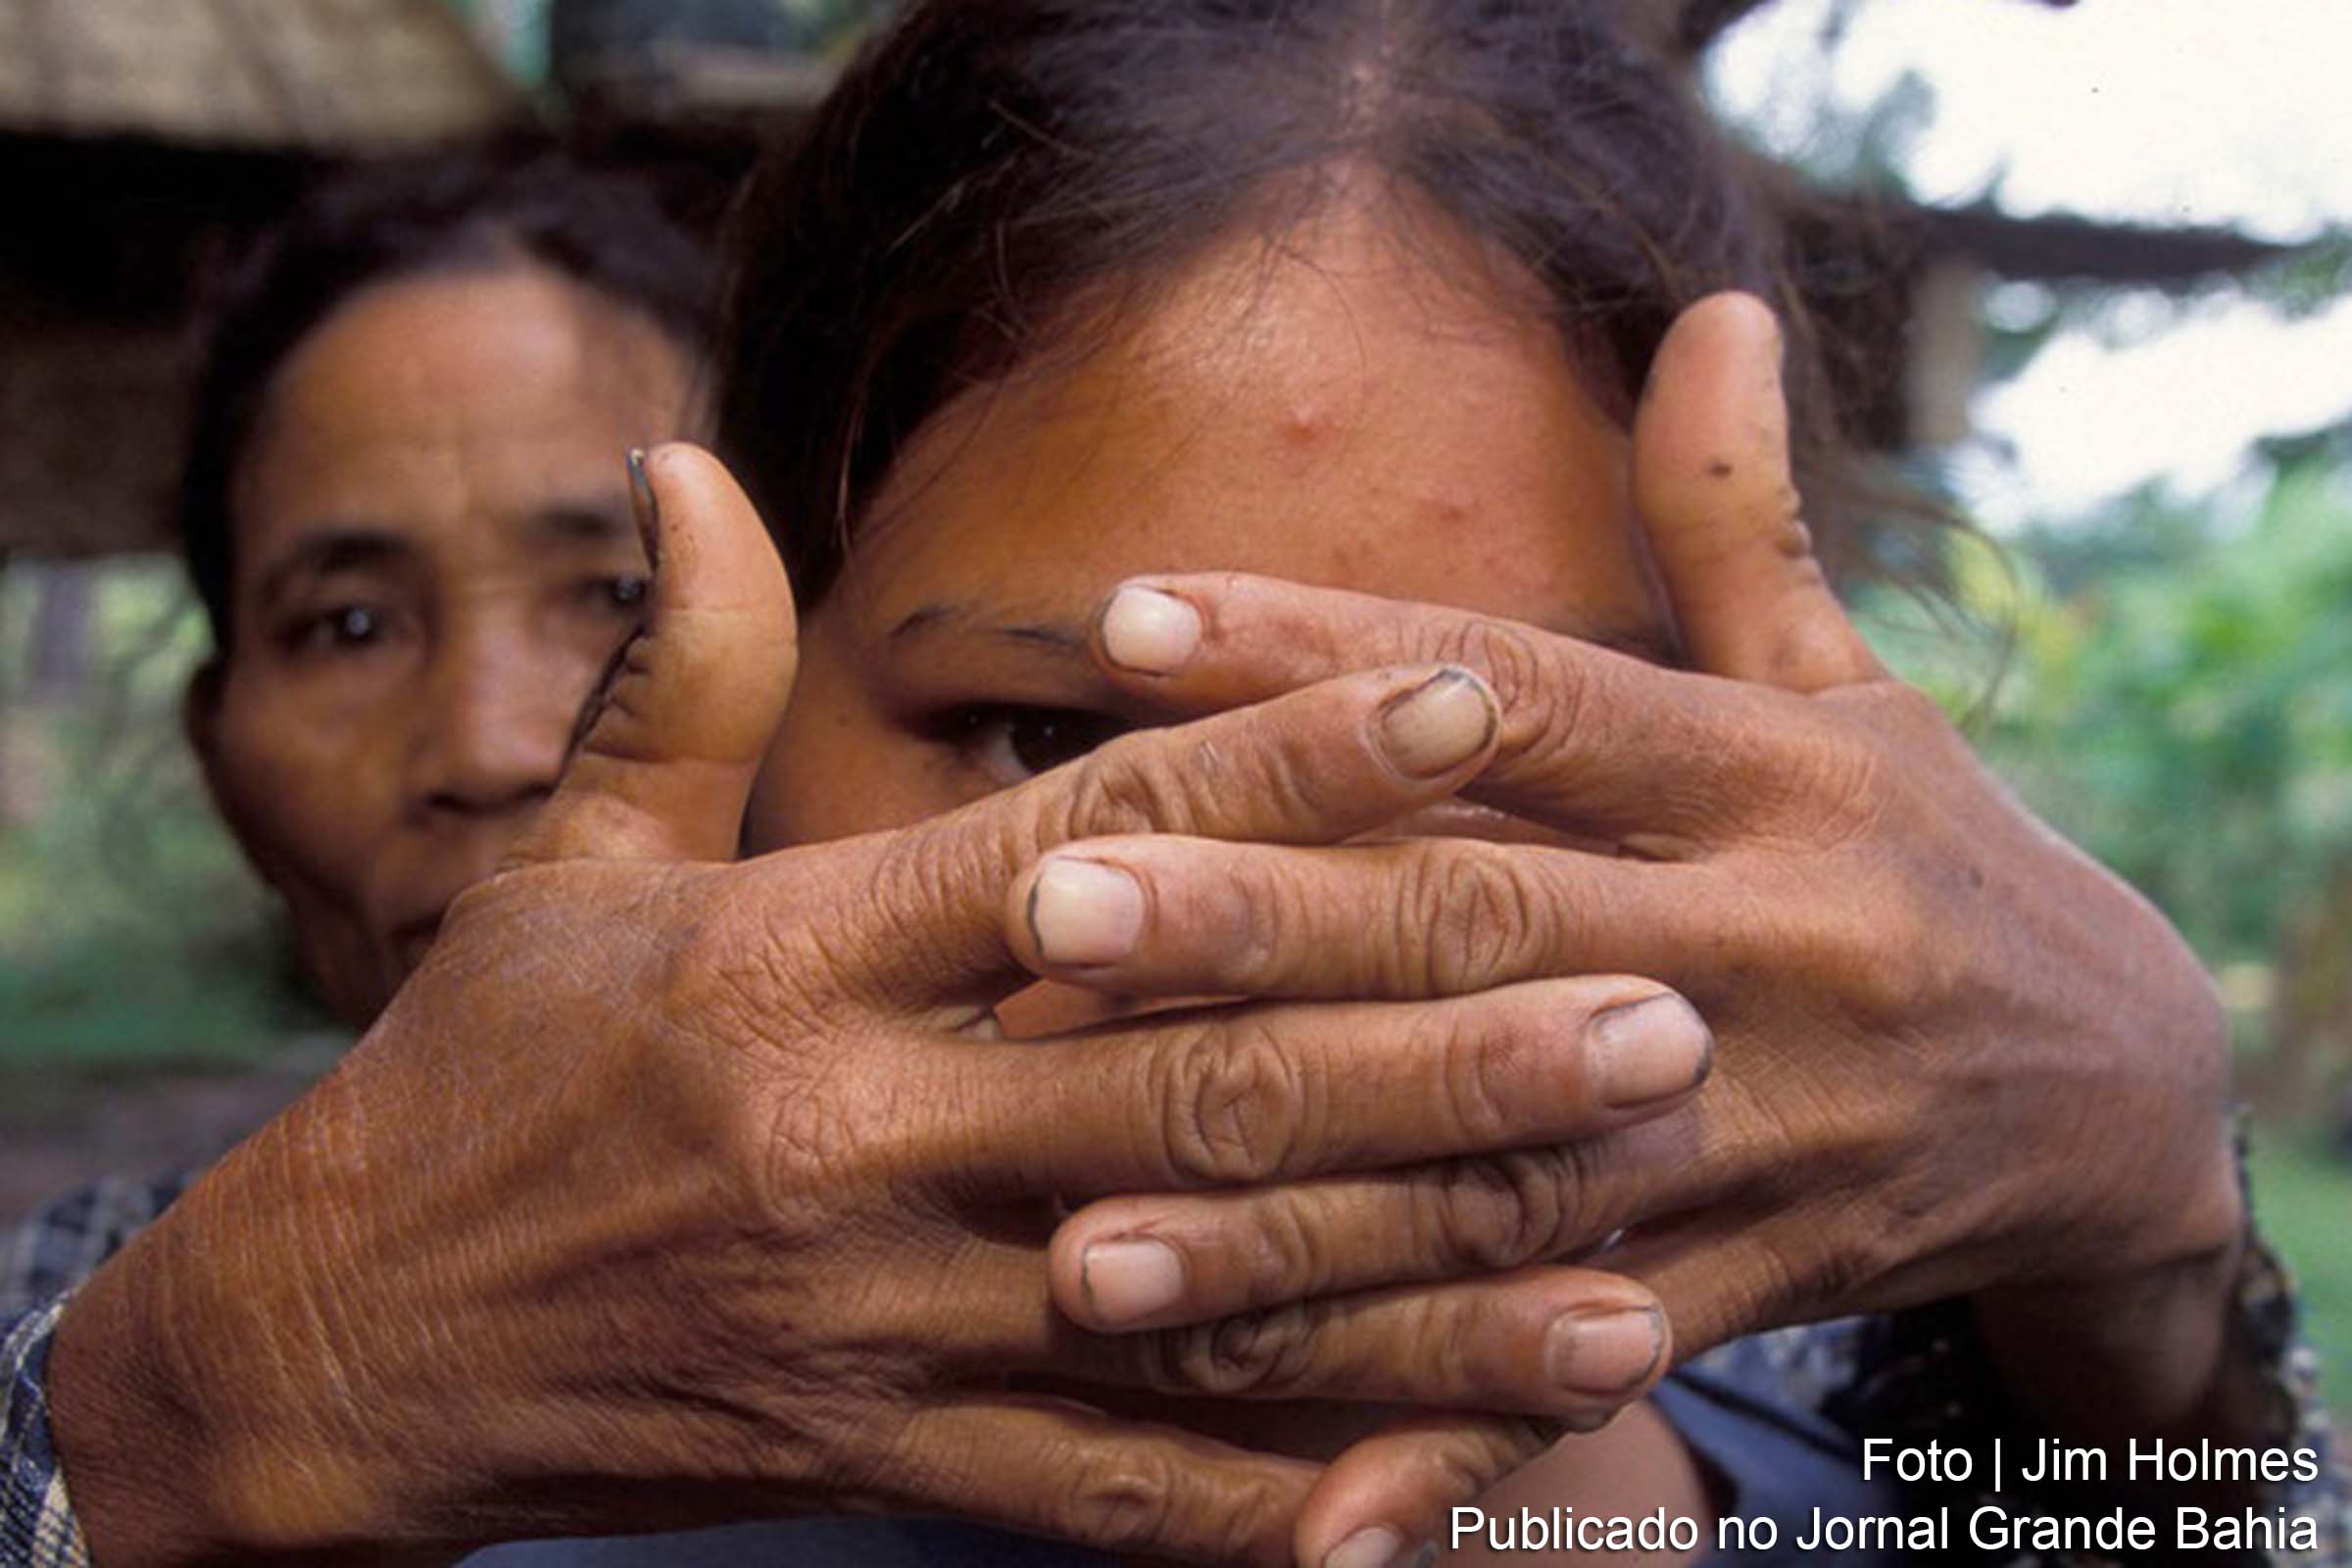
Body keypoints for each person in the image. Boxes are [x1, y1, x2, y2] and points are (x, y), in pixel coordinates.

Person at [5, 9, 2344, 1568]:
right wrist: (178, 1430)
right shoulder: (252, 1409)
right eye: (1067, 753)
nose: (1282, 956)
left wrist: (2148, 1239)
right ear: (724, 694)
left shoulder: (1935, 1426)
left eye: (1524, 759)